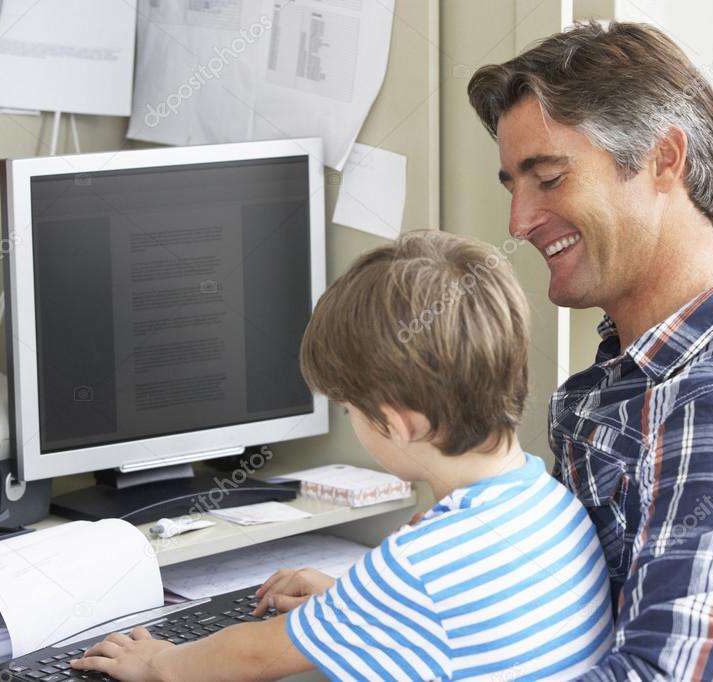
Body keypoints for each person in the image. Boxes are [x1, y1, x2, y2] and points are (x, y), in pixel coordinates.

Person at [466, 21, 713, 680]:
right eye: (513, 185)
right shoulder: (644, 367)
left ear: (663, 160)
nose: (518, 222)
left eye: (549, 178)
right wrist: (384, 609)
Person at [71, 230, 614, 681]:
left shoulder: (416, 565)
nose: (350, 421)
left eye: (350, 409)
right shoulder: (551, 503)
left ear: (399, 423)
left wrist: (159, 661)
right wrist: (349, 603)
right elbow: (464, 617)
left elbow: (256, 653)